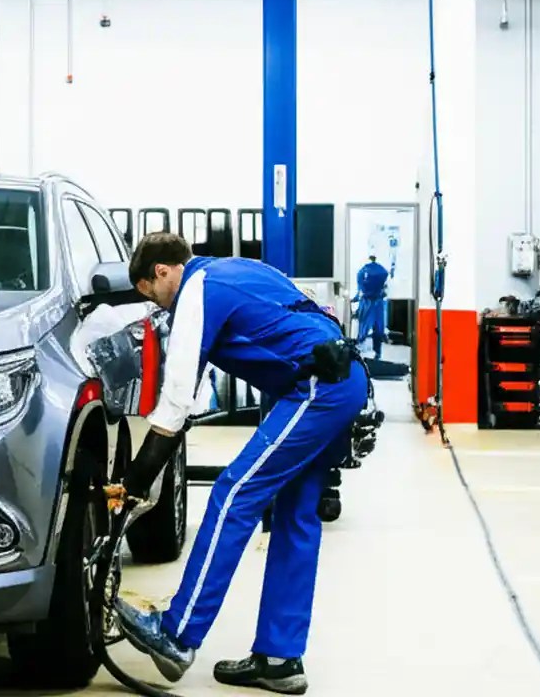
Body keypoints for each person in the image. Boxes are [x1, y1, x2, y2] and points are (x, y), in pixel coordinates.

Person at [107, 233, 368, 695]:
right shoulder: (236, 268)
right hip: (338, 379)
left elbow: (174, 407)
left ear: (162, 272)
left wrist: (133, 483)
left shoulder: (196, 289)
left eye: (155, 296)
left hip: (315, 391)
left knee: (233, 494)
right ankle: (280, 659)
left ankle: (176, 633)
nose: (161, 309)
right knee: (293, 515)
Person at [353, 254, 389, 360]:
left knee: (364, 326)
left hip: (367, 301)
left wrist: (357, 295)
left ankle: (359, 348)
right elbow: (385, 282)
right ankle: (377, 352)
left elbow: (360, 285)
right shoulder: (382, 270)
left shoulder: (364, 270)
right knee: (378, 329)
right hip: (378, 302)